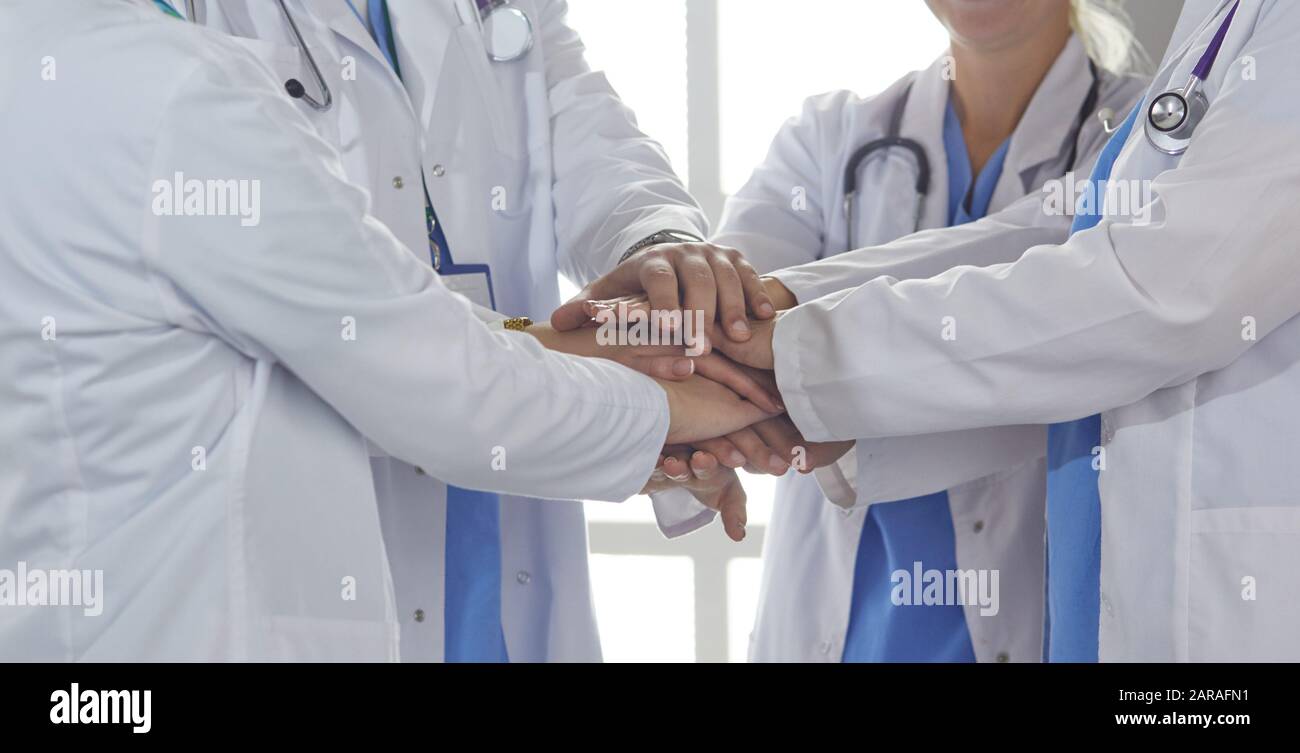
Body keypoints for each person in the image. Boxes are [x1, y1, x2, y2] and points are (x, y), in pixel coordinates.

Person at [0, 0, 772, 661]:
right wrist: (729, 393)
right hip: (340, 515)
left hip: (508, 463)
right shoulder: (169, 82)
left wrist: (658, 250)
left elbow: (572, 111)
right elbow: (393, 346)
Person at [716, 0, 1300, 661]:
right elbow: (729, 295)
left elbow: (1134, 290)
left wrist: (788, 356)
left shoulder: (1134, 127)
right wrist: (723, 333)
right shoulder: (830, 133)